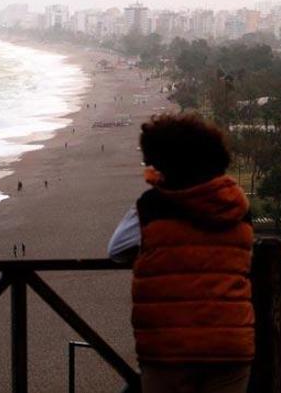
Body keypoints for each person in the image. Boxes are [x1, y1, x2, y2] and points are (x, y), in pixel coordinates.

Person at [107, 114, 254, 393]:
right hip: (230, 344)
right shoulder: (240, 207)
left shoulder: (153, 206)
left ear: (164, 166)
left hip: (168, 347)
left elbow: (116, 249)